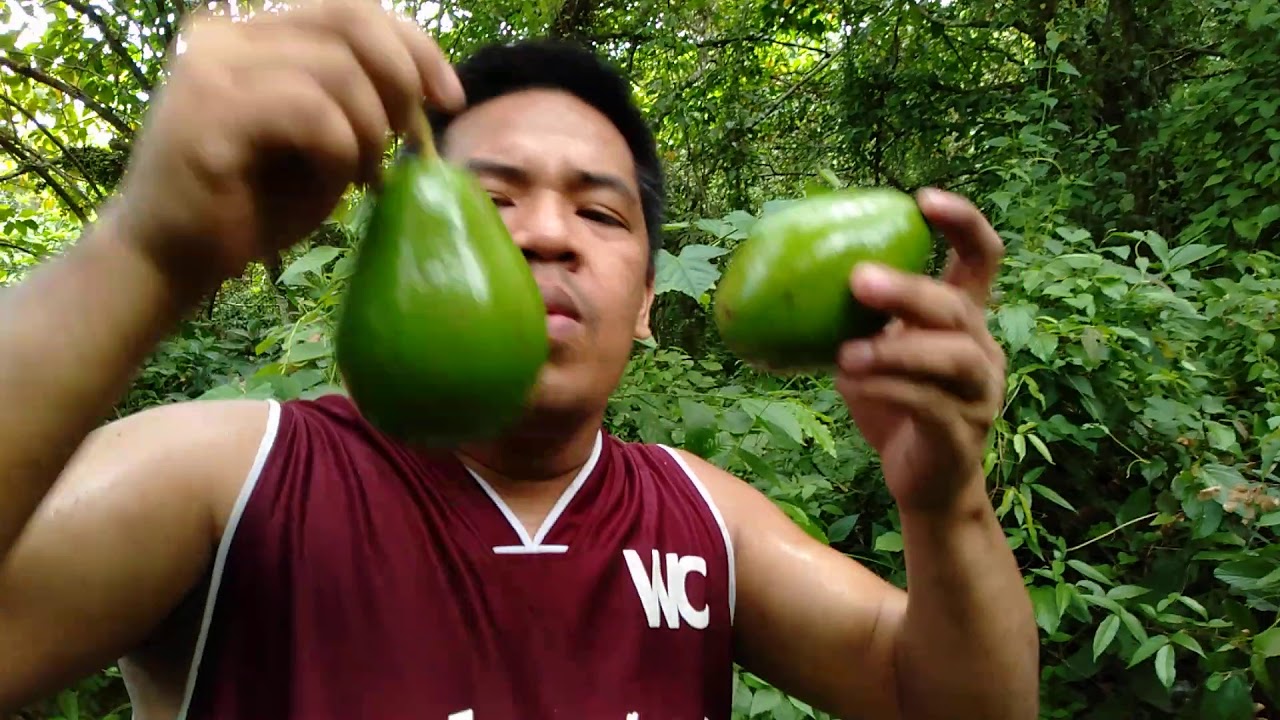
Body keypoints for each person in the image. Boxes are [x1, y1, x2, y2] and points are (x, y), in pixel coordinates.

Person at [0, 2, 1039, 719]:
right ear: (391, 261)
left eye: (597, 209)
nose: (546, 234)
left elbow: (944, 703)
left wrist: (944, 500)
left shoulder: (702, 520)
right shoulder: (230, 479)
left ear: (644, 305)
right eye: (487, 202)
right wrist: (138, 258)